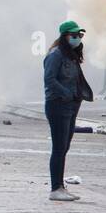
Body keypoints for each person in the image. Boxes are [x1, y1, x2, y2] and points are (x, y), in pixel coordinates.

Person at [42, 20, 93, 201]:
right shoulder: (55, 55)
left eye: (79, 36)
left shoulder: (70, 55)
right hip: (58, 105)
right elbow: (49, 80)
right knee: (59, 147)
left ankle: (60, 187)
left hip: (70, 106)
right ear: (64, 37)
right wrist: (66, 95)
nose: (77, 39)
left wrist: (77, 96)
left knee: (64, 146)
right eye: (73, 36)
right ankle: (56, 188)